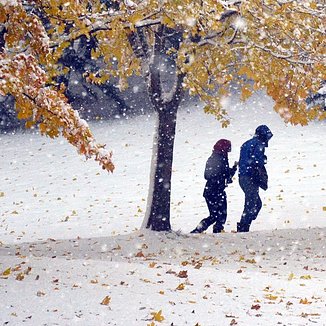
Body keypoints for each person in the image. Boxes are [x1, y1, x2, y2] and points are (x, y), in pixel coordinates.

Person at [191, 139, 238, 234]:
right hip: (213, 191)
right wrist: (221, 175)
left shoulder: (221, 158)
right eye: (227, 149)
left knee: (220, 214)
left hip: (216, 190)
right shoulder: (216, 158)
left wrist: (233, 169)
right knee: (215, 215)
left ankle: (216, 230)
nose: (228, 152)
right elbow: (207, 175)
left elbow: (225, 173)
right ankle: (198, 230)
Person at [237, 125, 273, 232]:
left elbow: (244, 160)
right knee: (253, 203)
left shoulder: (246, 144)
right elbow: (258, 161)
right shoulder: (258, 144)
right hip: (250, 177)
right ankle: (243, 227)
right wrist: (264, 160)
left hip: (242, 177)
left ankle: (244, 224)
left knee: (254, 203)